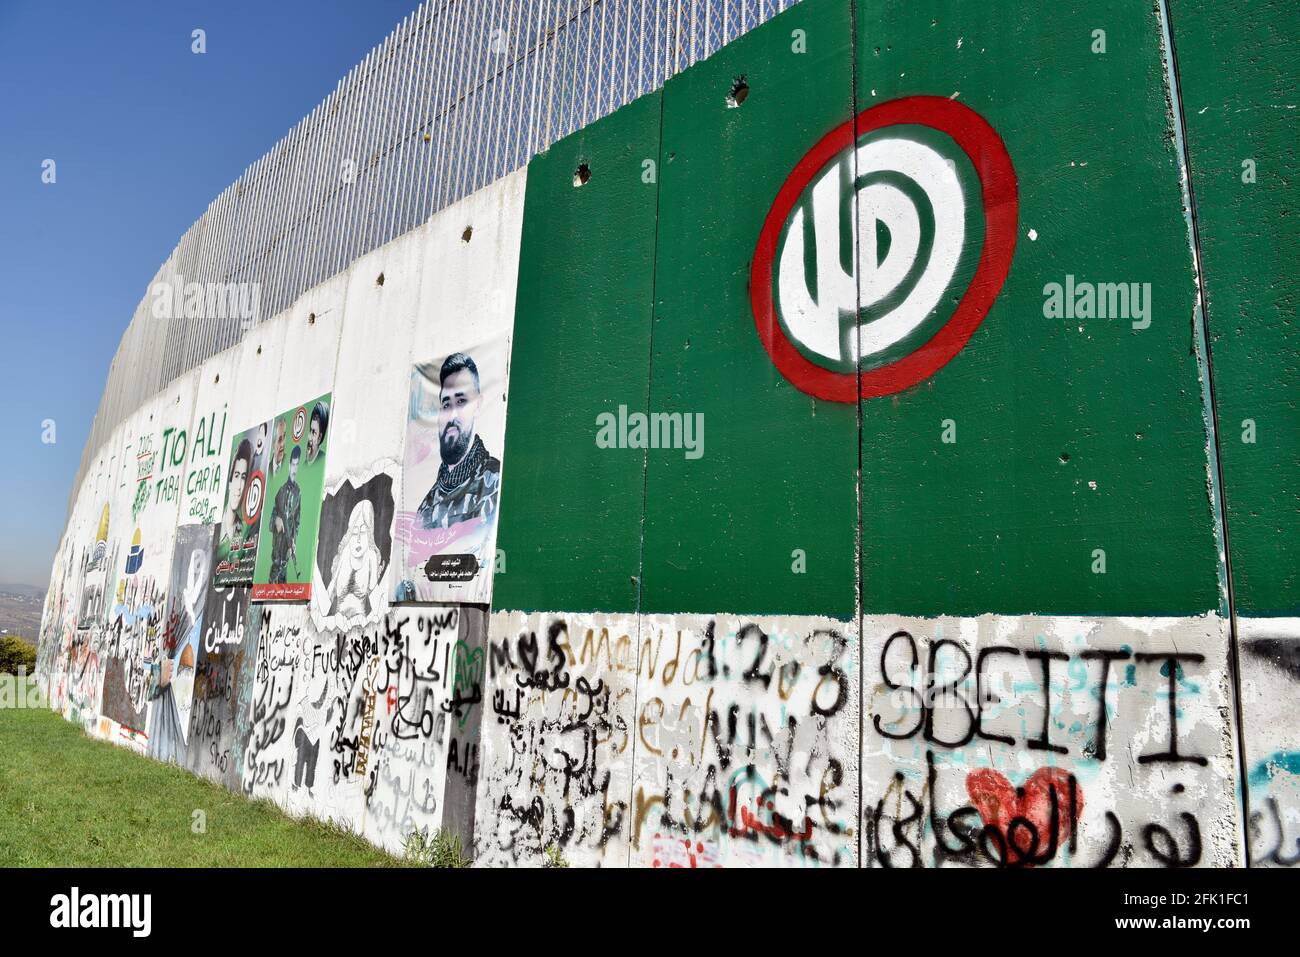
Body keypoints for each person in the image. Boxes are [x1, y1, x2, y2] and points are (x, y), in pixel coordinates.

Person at [416, 353, 500, 529]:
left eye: (461, 401)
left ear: (477, 405)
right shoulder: (425, 508)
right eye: (446, 404)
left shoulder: (495, 483)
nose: (452, 415)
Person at [327, 499, 384, 619]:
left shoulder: (370, 556)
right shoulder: (344, 555)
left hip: (359, 630)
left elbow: (377, 606)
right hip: (337, 625)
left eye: (363, 532)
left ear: (369, 534)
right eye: (354, 532)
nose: (358, 539)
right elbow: (328, 598)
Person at [216, 439, 252, 569]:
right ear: (230, 482)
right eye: (236, 476)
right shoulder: (217, 531)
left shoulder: (243, 529)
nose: (239, 487)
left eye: (243, 477)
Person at [270, 446, 302, 583]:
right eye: (293, 465)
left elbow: (297, 520)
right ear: (289, 466)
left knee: (284, 572)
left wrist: (293, 540)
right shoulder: (280, 492)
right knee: (276, 569)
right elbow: (272, 518)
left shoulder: (298, 493)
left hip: (288, 540)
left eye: (297, 465)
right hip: (278, 542)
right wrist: (277, 520)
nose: (294, 469)